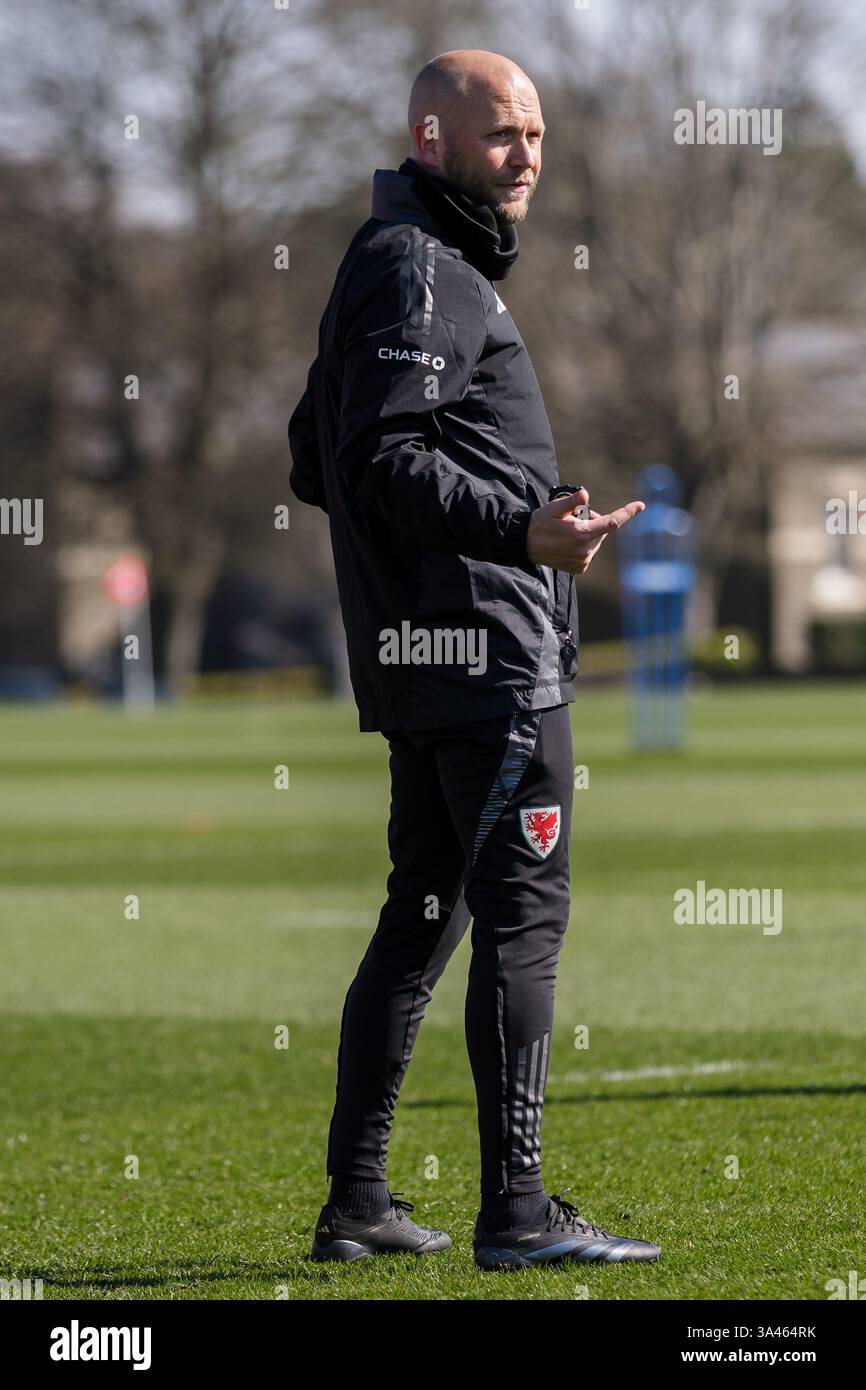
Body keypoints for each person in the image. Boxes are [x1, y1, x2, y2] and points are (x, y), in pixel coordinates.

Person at [289, 49, 660, 1269]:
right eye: (503, 132)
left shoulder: (393, 260)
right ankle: (518, 1211)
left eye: (536, 134)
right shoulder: (419, 267)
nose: (526, 156)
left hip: (428, 656)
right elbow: (374, 461)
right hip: (487, 665)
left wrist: (508, 516)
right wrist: (518, 531)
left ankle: (357, 1202)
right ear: (431, 138)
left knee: (422, 916)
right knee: (520, 921)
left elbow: (314, 456)